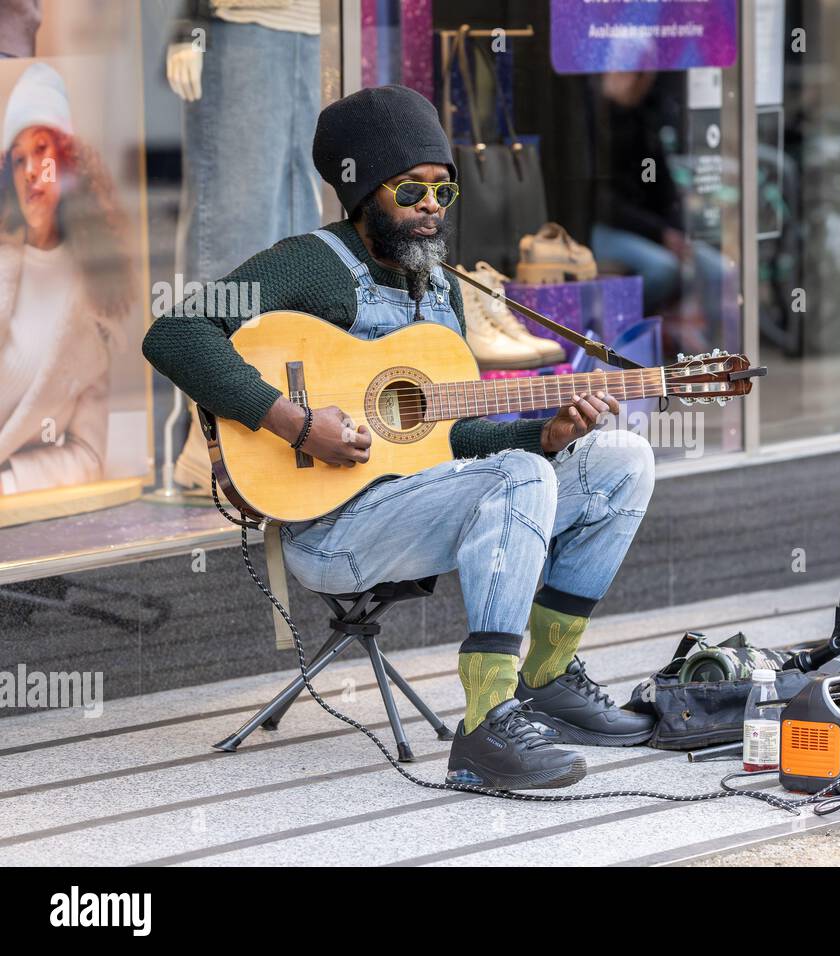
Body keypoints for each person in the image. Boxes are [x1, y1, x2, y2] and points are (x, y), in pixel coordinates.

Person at [142, 85, 656, 790]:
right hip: (330, 529)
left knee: (621, 459)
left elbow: (456, 437)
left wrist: (548, 431)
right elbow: (175, 332)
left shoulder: (436, 287)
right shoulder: (311, 265)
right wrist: (294, 423)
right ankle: (485, 725)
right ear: (361, 196)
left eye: (443, 192)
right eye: (410, 190)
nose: (430, 208)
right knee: (520, 479)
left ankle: (547, 678)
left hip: (421, 505)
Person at [0, 61, 132, 495]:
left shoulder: (97, 300)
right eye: (19, 159)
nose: (31, 171)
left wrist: (9, 484)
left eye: (42, 151)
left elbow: (87, 456)